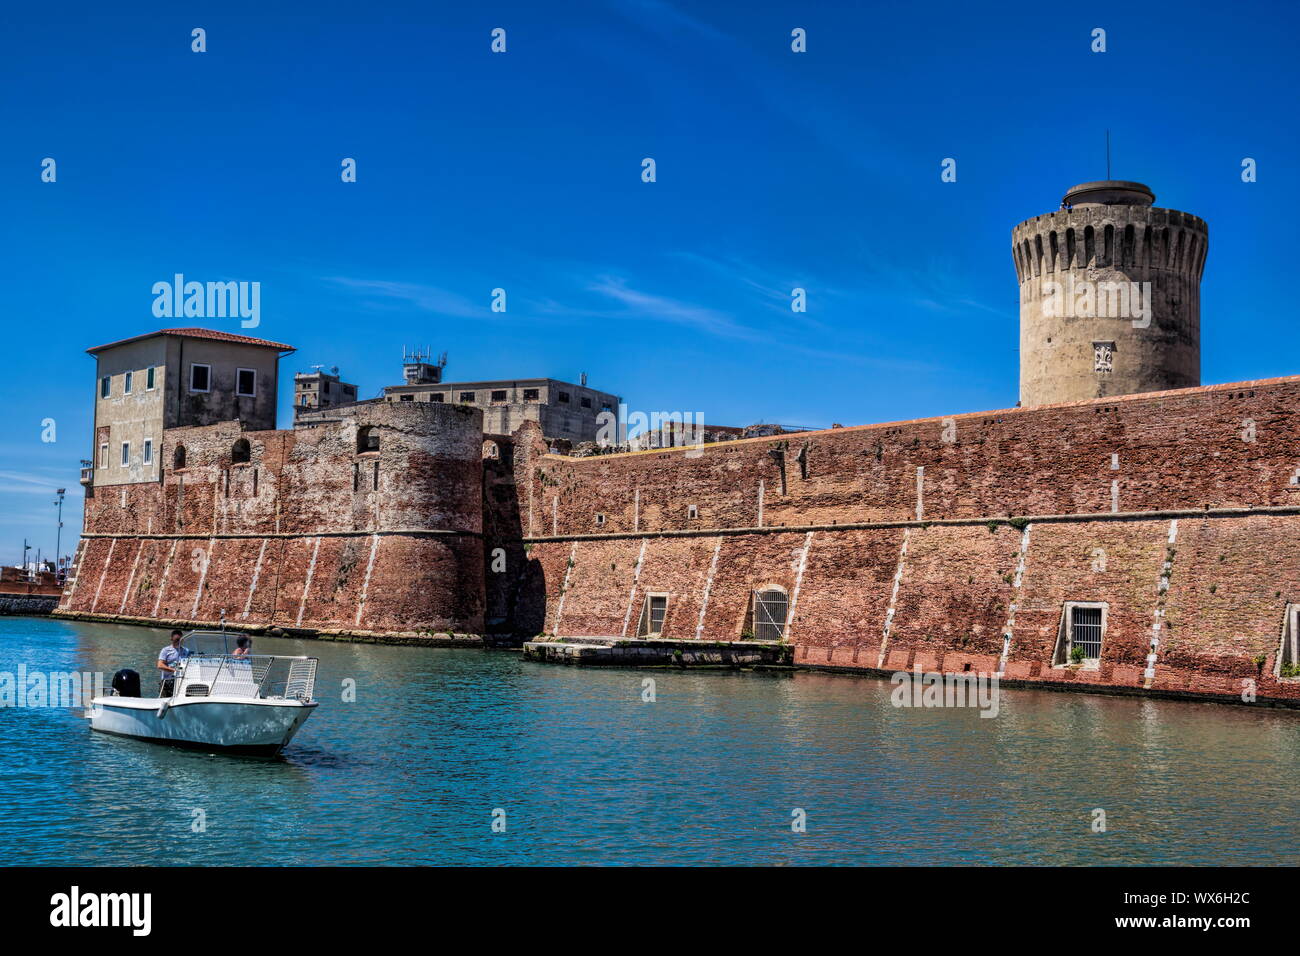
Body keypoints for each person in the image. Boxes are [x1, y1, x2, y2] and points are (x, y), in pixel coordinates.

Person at [157, 629, 189, 696]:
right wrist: (174, 670)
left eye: (181, 640)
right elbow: (160, 665)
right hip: (167, 681)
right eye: (177, 640)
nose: (179, 642)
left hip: (181, 682)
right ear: (171, 639)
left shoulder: (186, 651)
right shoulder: (165, 650)